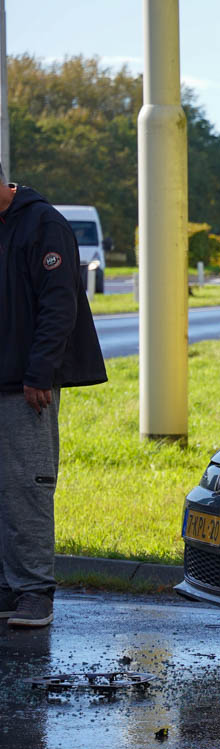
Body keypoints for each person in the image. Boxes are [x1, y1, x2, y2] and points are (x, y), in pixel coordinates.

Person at [0, 181, 106, 628]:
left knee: (28, 487)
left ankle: (34, 591)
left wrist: (40, 371)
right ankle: (8, 587)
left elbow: (60, 304)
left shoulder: (43, 224)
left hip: (25, 384)